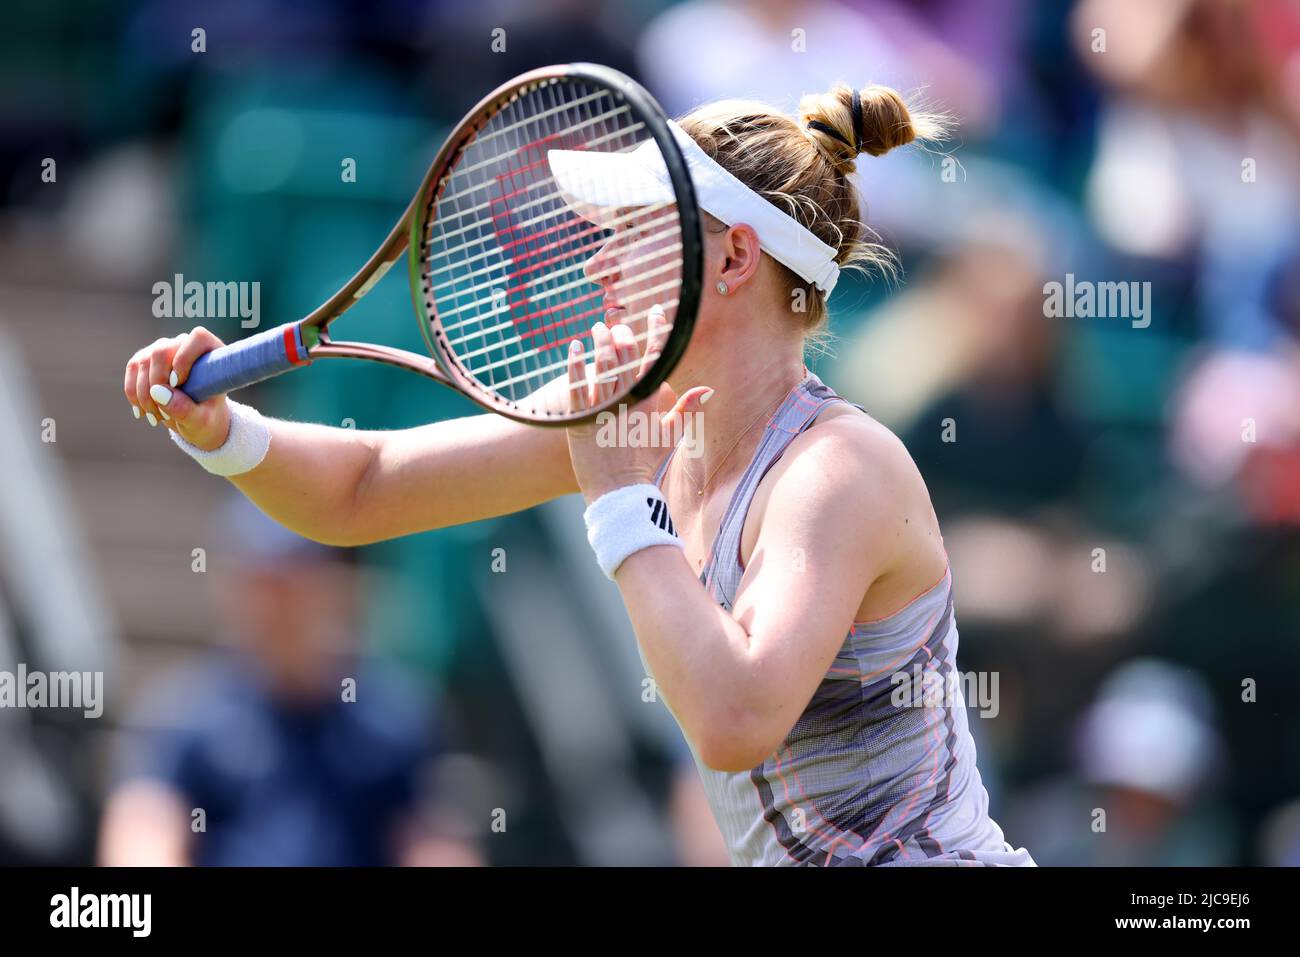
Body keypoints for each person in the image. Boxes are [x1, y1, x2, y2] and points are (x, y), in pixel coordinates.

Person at [123, 80, 1034, 866]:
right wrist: (221, 428)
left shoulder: (840, 468)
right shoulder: (635, 422)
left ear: (734, 256)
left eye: (631, 230)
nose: (597, 261)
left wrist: (622, 502)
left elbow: (733, 717)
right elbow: (364, 487)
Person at [99, 495, 482, 867]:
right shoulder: (184, 714)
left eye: (294, 581)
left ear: (332, 585)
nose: (277, 606)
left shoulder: (394, 715)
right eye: (261, 583)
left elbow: (432, 843)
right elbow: (142, 836)